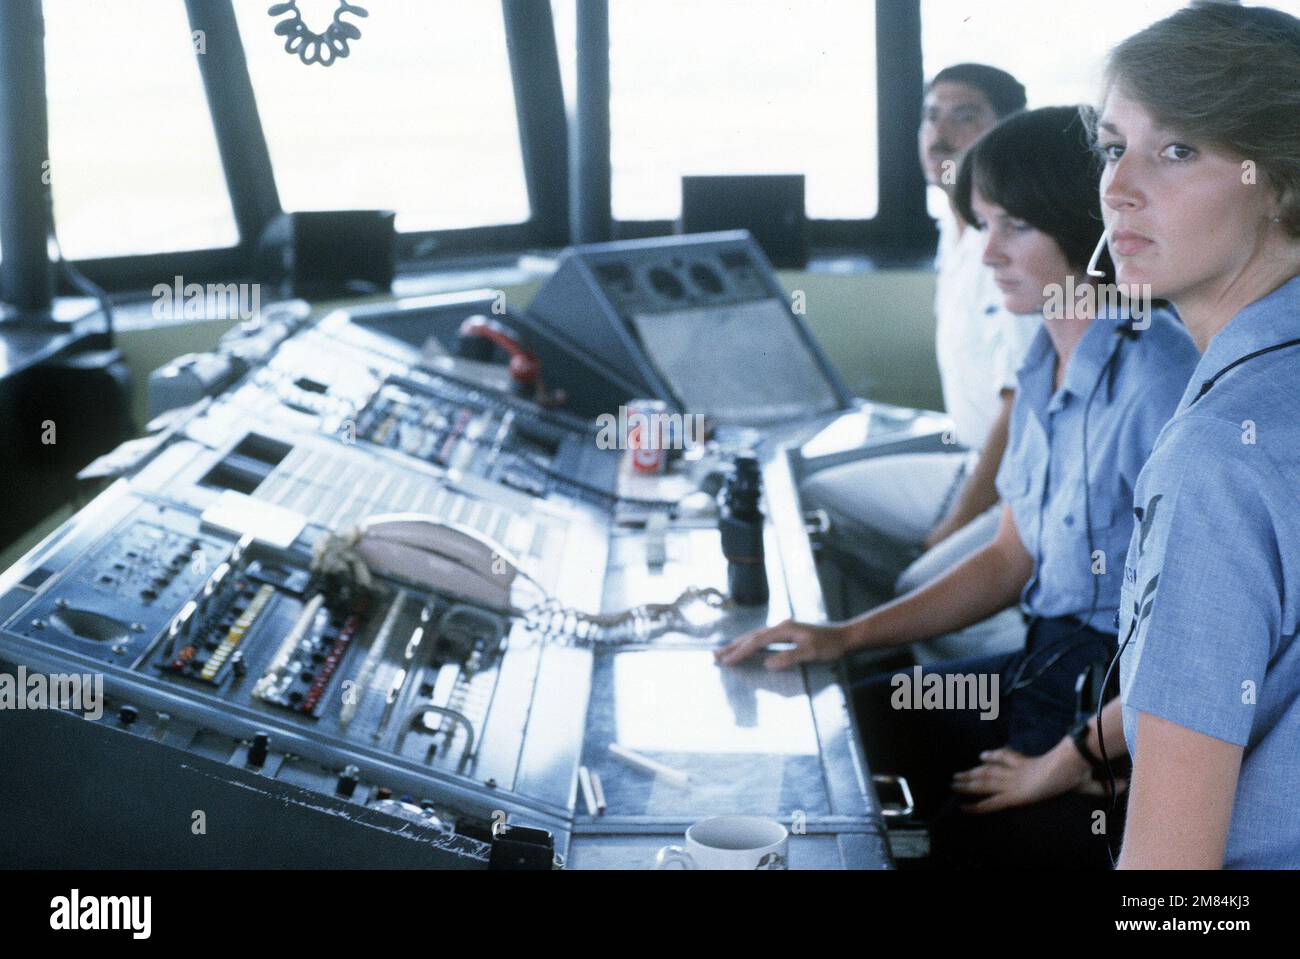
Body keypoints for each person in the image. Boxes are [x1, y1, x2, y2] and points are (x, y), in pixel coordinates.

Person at [718, 106, 1201, 868]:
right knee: (863, 713)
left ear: (1085, 229)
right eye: (983, 225)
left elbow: (1191, 641)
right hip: (1049, 665)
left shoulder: (1159, 379)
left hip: (1118, 702)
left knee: (964, 839)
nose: (988, 254)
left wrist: (1072, 760)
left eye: (1013, 227)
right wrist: (843, 637)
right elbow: (1012, 553)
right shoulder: (1046, 359)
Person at [954, 1, 1300, 870]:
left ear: (1283, 181)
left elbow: (1169, 879)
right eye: (1113, 148)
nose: (1117, 187)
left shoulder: (1218, 452)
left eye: (1176, 150)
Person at [801, 64, 1038, 663]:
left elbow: (1023, 406)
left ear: (1006, 131)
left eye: (965, 116)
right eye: (931, 115)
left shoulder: (1014, 242)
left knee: (927, 593)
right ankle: (898, 624)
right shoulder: (953, 230)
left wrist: (956, 524)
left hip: (1014, 476)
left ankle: (932, 629)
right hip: (969, 457)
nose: (939, 133)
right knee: (815, 490)